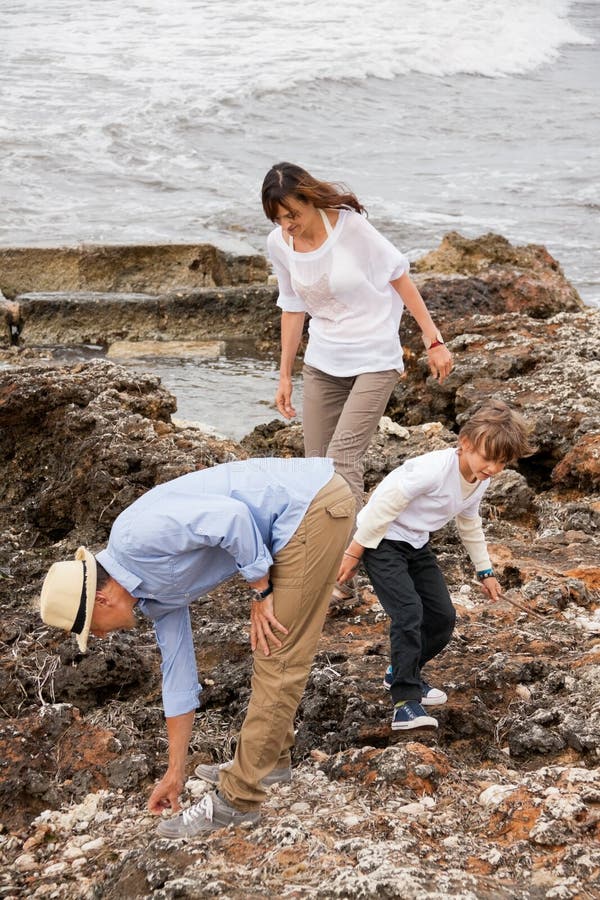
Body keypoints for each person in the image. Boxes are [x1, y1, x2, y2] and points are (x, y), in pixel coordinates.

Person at [39, 457, 354, 838]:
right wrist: (176, 772)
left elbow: (234, 518)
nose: (101, 638)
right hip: (294, 516)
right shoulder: (151, 599)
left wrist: (260, 589)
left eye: (93, 629)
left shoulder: (135, 537)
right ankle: (271, 763)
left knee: (277, 652)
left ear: (101, 601)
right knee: (273, 651)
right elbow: (179, 678)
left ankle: (237, 803)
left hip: (311, 505)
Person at [261, 161, 454, 539]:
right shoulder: (279, 244)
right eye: (278, 218)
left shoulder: (351, 227)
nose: (287, 224)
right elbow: (292, 307)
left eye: (293, 214)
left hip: (375, 358)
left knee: (343, 459)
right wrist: (284, 376)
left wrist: (434, 341)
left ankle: (343, 563)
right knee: (316, 467)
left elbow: (400, 278)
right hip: (323, 361)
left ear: (310, 200)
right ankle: (328, 547)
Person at [336, 399, 535, 731]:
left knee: (442, 617)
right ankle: (404, 702)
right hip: (382, 542)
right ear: (465, 444)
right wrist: (354, 553)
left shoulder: (480, 479)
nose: (494, 469)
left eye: (502, 463)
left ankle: (402, 672)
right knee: (409, 613)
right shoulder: (432, 471)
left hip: (416, 545)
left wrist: (485, 572)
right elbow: (380, 507)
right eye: (489, 459)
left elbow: (469, 522)